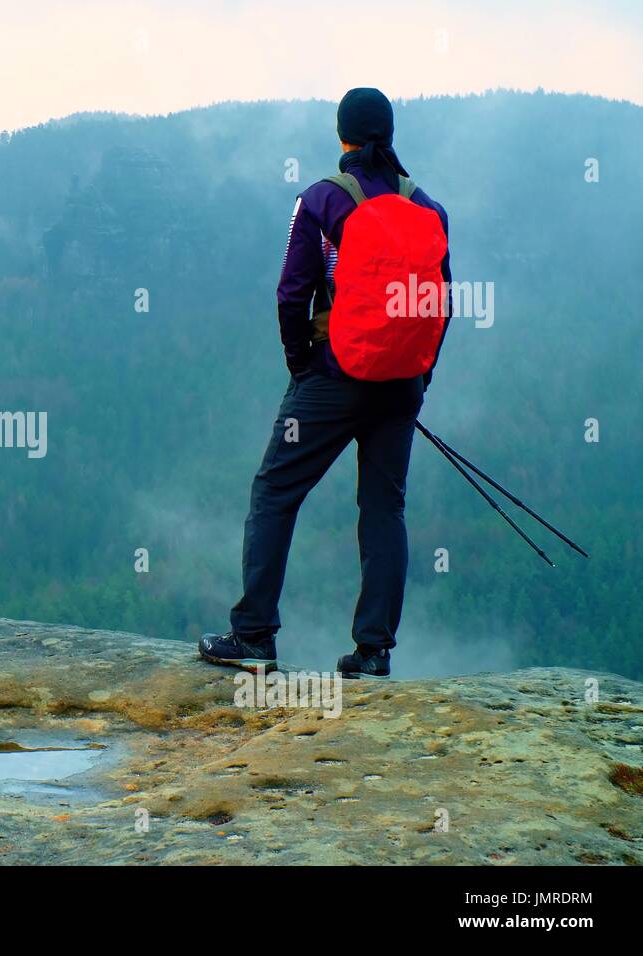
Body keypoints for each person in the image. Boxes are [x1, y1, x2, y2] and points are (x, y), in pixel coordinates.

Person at [199, 88, 451, 680]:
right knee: (384, 509)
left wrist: (301, 365)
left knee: (274, 492)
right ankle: (373, 652)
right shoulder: (430, 208)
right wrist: (420, 374)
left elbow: (292, 293)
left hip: (333, 374)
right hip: (401, 383)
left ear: (342, 137)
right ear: (388, 135)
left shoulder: (319, 201)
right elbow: (443, 302)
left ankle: (254, 636)